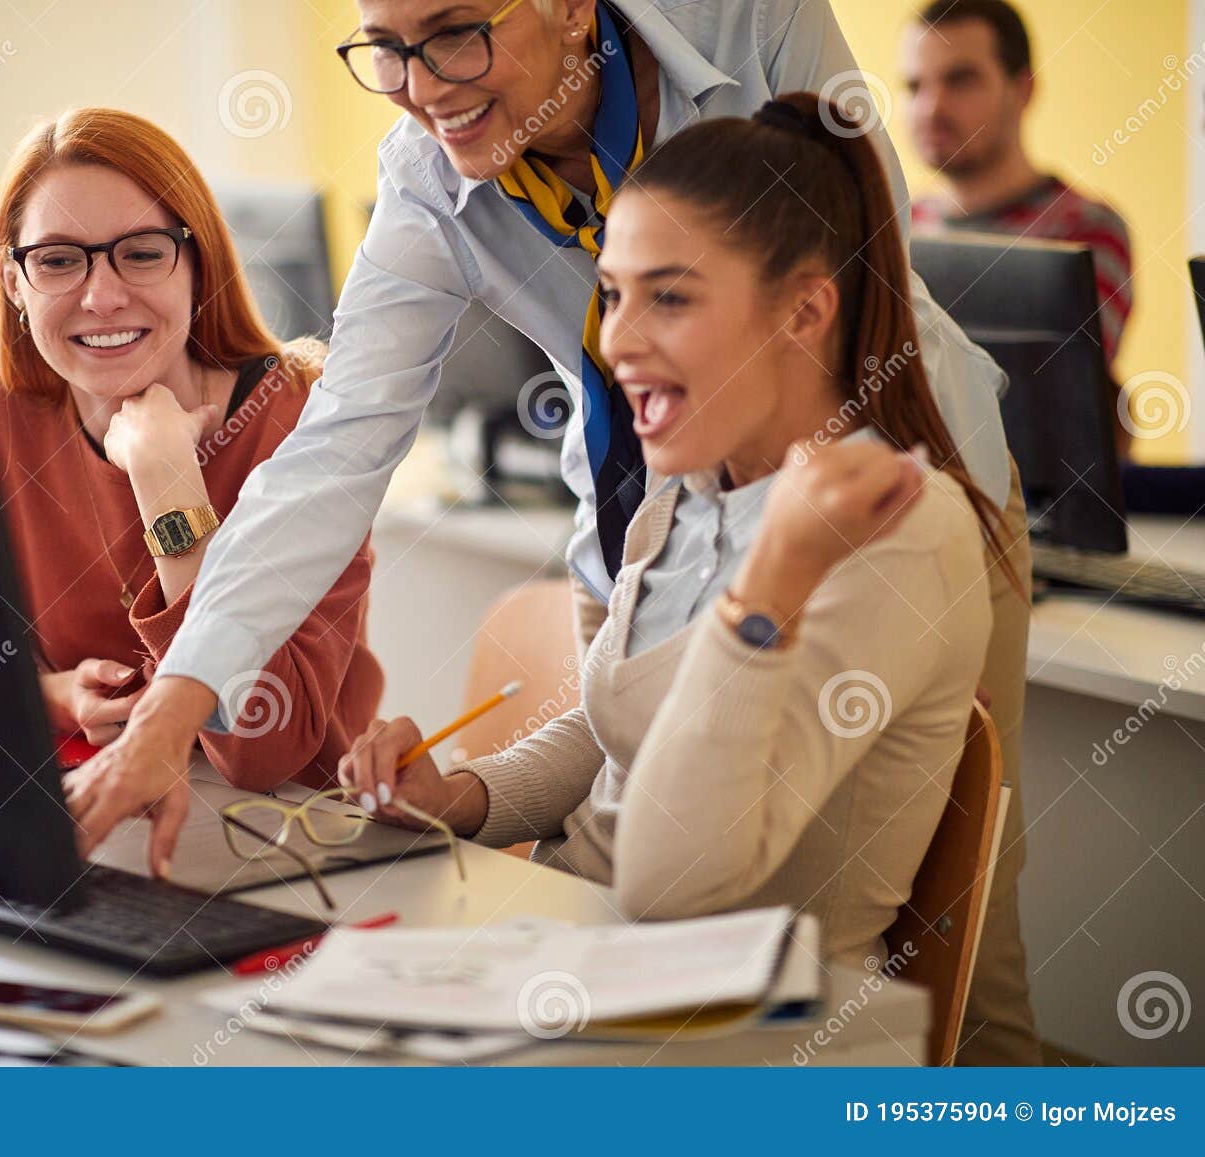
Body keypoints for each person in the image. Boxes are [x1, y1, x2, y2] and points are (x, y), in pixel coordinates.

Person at [66, 0, 1038, 1065]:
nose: (421, 84)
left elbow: (857, 272)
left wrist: (773, 573)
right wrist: (181, 712)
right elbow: (337, 450)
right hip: (670, 493)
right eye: (384, 49)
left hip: (871, 488)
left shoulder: (750, 20)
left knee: (956, 959)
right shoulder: (434, 183)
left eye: (453, 34)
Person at [337, 92, 1012, 970]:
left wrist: (763, 591)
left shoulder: (897, 530)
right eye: (613, 295)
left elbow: (673, 880)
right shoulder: (689, 476)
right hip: (577, 965)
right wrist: (460, 796)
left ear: (805, 311)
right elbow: (612, 731)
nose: (618, 340)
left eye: (671, 298)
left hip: (747, 1037)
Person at [0, 109, 383, 836]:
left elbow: (261, 749)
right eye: (56, 260)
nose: (102, 295)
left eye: (141, 253)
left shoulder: (297, 421)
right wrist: (55, 694)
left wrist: (169, 490)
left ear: (197, 259)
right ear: (11, 280)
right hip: (95, 818)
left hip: (286, 840)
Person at [902, 0, 1133, 370]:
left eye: (960, 80)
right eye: (915, 86)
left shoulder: (1085, 231)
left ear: (1022, 89)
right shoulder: (895, 226)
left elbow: (1060, 384)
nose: (931, 108)